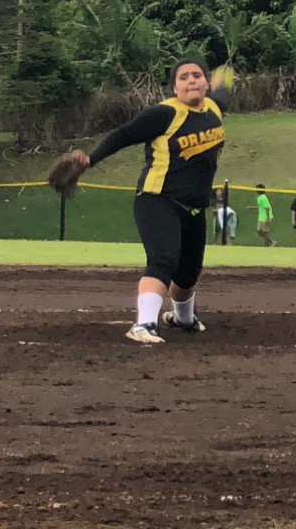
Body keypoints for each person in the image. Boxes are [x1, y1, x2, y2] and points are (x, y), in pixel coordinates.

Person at [53, 58, 224, 346]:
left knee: (187, 276)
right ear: (174, 88)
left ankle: (182, 318)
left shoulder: (215, 108)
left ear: (206, 84)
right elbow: (125, 134)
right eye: (183, 77)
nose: (191, 80)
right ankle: (144, 324)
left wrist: (224, 80)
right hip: (158, 200)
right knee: (163, 260)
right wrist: (91, 159)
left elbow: (223, 93)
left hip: (194, 206)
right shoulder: (165, 114)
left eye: (197, 75)